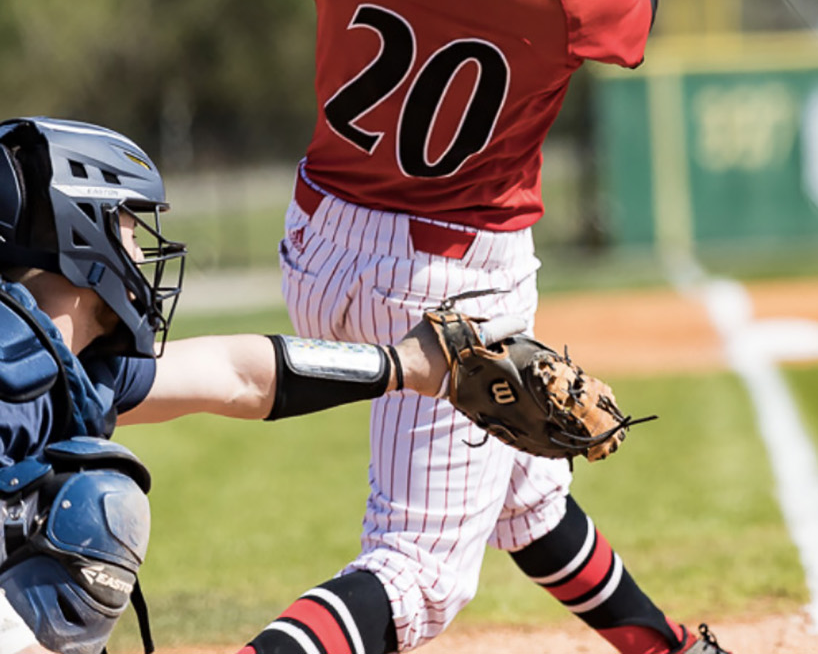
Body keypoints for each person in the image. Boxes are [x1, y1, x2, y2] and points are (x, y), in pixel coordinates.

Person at [265, 0, 728, 654]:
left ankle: (661, 647)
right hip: (449, 282)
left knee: (525, 491)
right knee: (419, 572)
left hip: (318, 248)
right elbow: (635, 3)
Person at [0, 116, 474, 654]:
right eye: (129, 226)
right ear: (79, 231)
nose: (140, 254)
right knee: (91, 504)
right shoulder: (12, 362)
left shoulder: (62, 361)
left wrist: (405, 365)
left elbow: (236, 374)